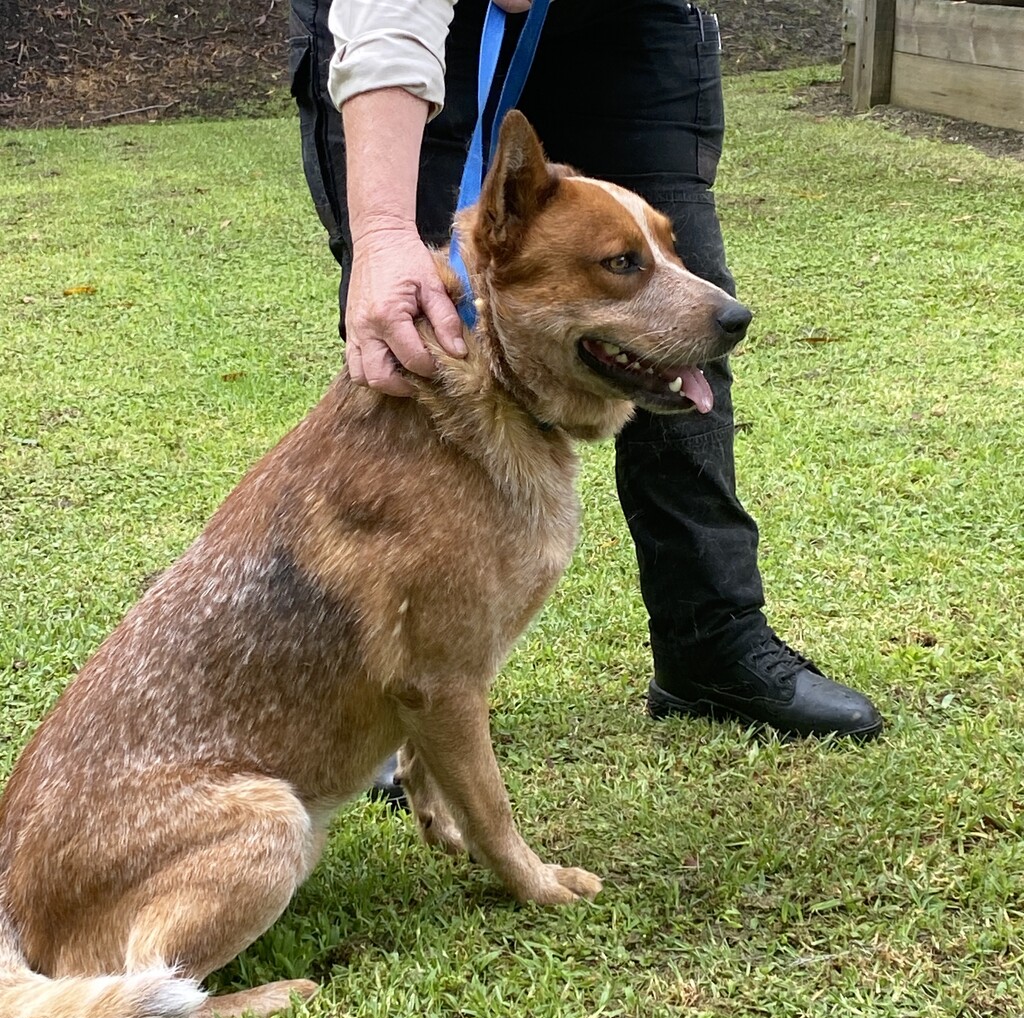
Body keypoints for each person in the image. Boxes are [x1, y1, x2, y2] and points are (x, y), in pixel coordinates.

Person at [287, 0, 884, 786]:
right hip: (421, 29)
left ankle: (711, 641)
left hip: (629, 32)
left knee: (684, 333)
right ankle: (379, 695)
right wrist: (385, 230)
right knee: (418, 328)